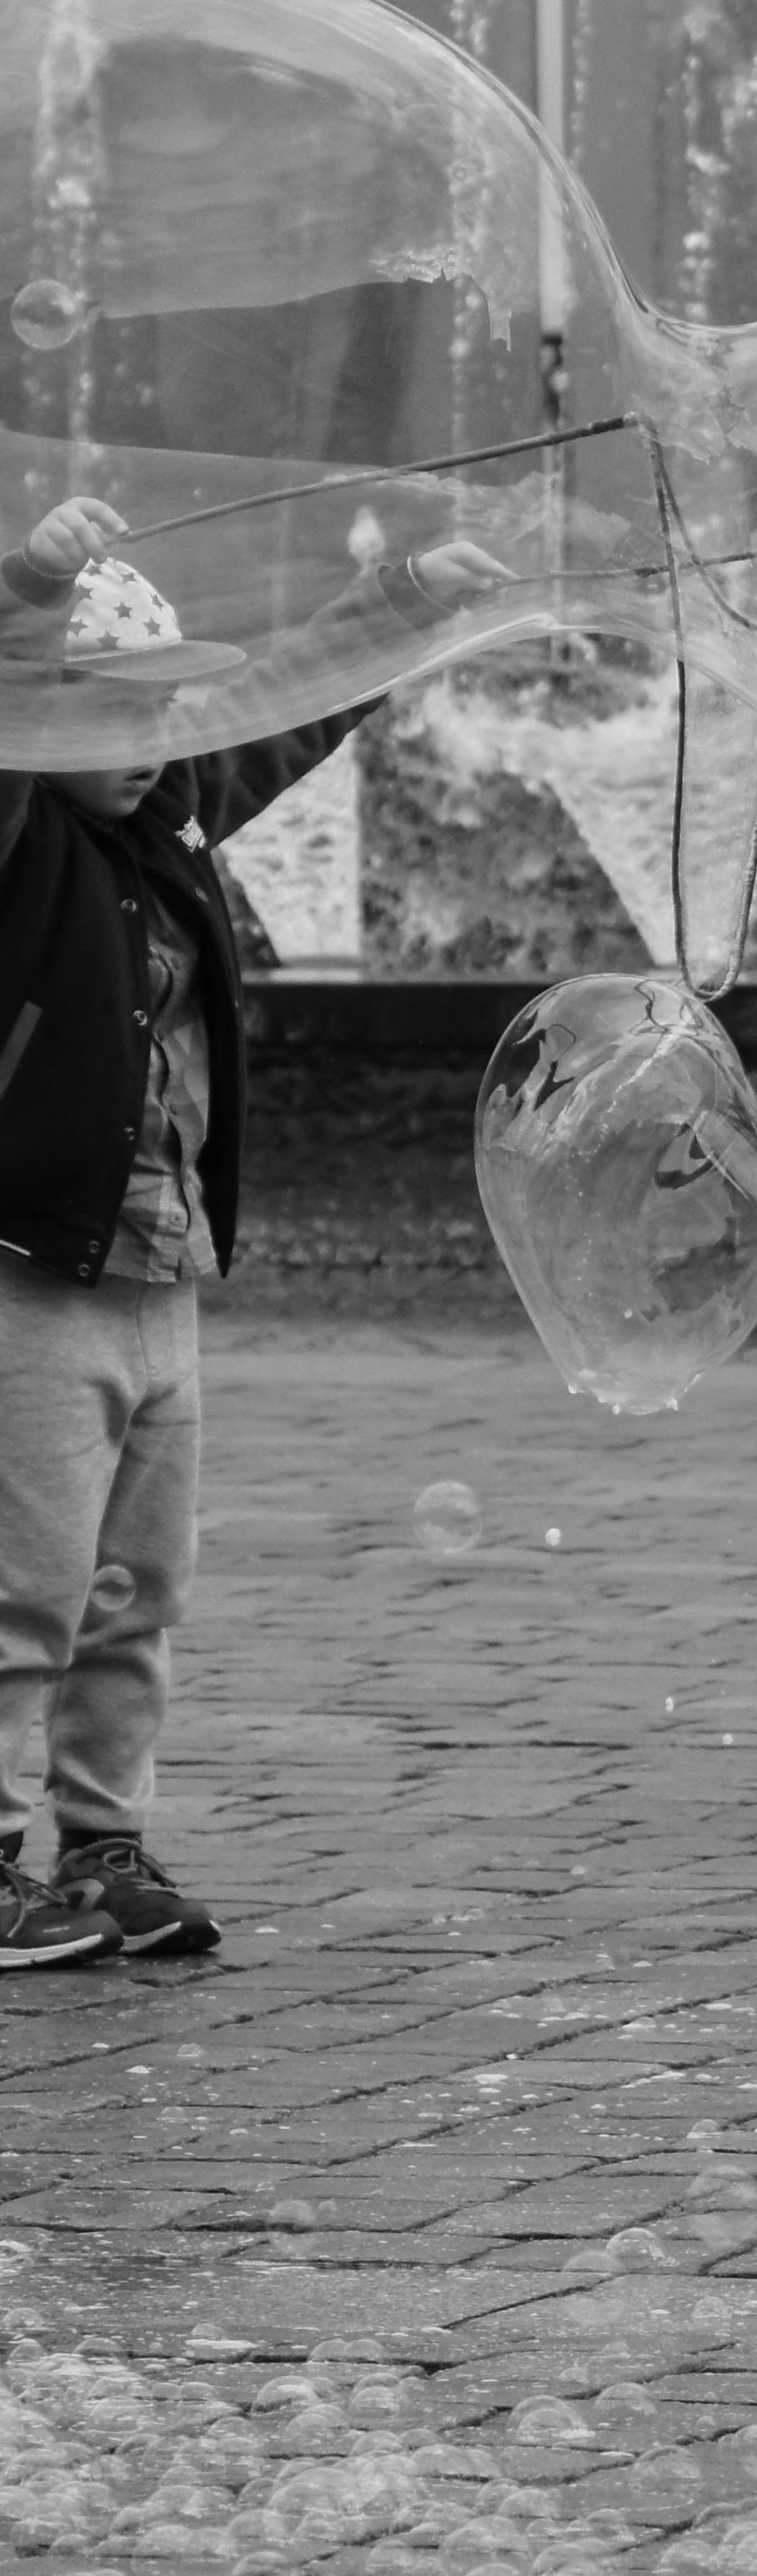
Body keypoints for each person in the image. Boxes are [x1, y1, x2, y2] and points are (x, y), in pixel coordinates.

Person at [0, 494, 498, 1969]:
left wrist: (407, 600)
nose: (147, 738)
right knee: (20, 1589)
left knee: (133, 1590)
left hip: (159, 1273)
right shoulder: (13, 832)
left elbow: (287, 710)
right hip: (29, 1275)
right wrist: (29, 590)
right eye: (109, 710)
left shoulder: (166, 811)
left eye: (161, 707)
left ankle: (103, 1848)